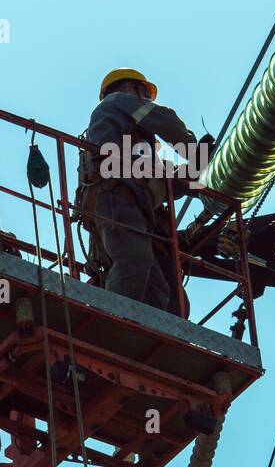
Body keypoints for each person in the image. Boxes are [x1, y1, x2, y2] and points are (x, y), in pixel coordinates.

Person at [77, 67, 197, 313]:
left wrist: (197, 177)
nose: (146, 100)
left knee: (164, 293)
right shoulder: (116, 102)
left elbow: (162, 177)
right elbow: (163, 119)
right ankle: (113, 324)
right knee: (133, 260)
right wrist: (194, 150)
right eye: (144, 93)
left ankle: (161, 334)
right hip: (116, 198)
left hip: (129, 206)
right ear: (131, 88)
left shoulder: (128, 141)